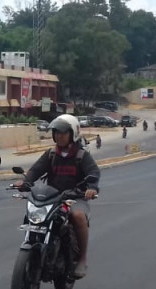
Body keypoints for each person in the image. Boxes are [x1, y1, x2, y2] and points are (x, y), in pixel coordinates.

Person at [13, 114, 100, 279]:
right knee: (34, 215)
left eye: (63, 133)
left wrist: (92, 188)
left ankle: (81, 259)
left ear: (72, 134)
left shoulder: (82, 156)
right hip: (51, 197)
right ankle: (36, 245)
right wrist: (24, 181)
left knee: (78, 216)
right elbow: (36, 170)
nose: (59, 136)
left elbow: (94, 173)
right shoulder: (51, 154)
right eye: (56, 133)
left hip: (75, 197)